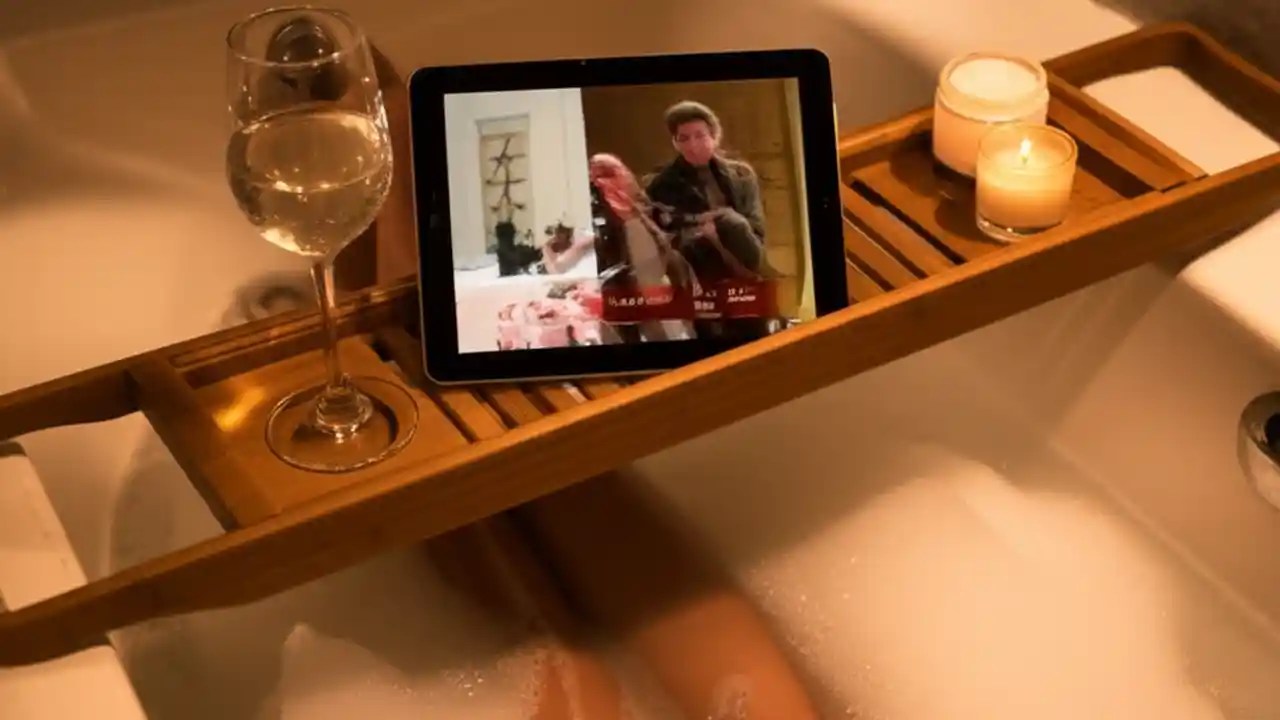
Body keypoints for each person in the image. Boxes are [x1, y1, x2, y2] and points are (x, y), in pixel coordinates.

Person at [645, 101, 776, 341]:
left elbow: (756, 228)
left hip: (745, 271)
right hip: (700, 278)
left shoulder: (741, 175)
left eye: (699, 136)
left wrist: (723, 223)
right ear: (675, 143)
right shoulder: (662, 184)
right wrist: (702, 231)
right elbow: (666, 232)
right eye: (683, 138)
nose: (693, 145)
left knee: (756, 343)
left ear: (715, 136)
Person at [589, 153, 696, 343]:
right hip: (618, 272)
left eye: (604, 173)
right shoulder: (600, 202)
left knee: (656, 305)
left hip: (639, 251)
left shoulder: (634, 206)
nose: (600, 181)